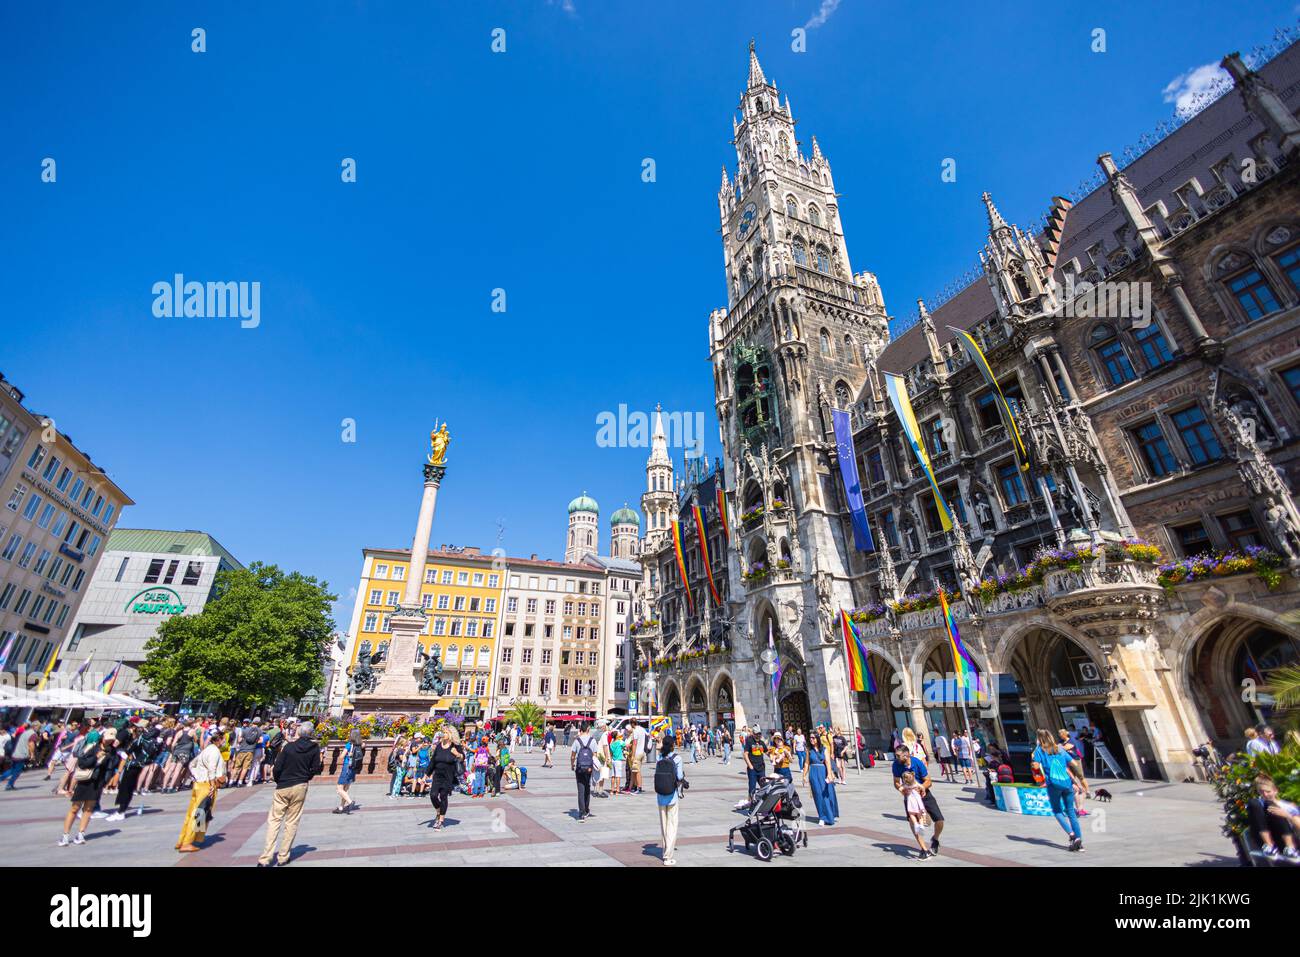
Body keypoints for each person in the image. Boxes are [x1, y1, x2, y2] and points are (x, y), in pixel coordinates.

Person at [257, 720, 323, 866]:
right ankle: (283, 857)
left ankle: (265, 858)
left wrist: (280, 781)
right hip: (300, 786)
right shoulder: (314, 748)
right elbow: (316, 768)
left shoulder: (289, 747)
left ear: (299, 732)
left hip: (283, 786)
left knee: (274, 821)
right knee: (292, 822)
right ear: (311, 733)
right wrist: (305, 778)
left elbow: (277, 767)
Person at [1031, 728, 1089, 852]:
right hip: (1067, 784)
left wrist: (1035, 763)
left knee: (1057, 811)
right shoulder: (1060, 748)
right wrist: (1077, 780)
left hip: (1053, 784)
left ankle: (1071, 834)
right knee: (1071, 812)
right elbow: (1073, 762)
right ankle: (1079, 841)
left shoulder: (1039, 750)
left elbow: (1035, 766)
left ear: (1039, 739)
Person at [58, 733, 113, 846]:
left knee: (88, 809)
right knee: (75, 808)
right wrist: (96, 757)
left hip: (96, 783)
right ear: (102, 738)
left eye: (111, 740)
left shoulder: (111, 751)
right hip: (85, 781)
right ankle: (65, 835)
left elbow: (109, 768)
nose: (109, 741)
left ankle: (81, 833)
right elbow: (82, 764)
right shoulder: (92, 748)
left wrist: (104, 782)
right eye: (107, 739)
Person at [177, 730, 226, 853]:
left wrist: (196, 776)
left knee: (194, 813)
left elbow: (192, 764)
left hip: (199, 784)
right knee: (199, 813)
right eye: (223, 739)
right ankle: (188, 842)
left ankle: (186, 839)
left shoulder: (207, 749)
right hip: (207, 785)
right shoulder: (214, 752)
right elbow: (212, 769)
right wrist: (212, 784)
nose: (225, 741)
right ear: (219, 739)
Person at [891, 744, 944, 856]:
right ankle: (923, 849)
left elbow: (929, 781)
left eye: (898, 755)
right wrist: (901, 788)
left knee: (939, 820)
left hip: (924, 794)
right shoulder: (896, 765)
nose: (896, 758)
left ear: (906, 755)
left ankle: (935, 839)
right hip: (910, 796)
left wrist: (922, 787)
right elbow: (896, 781)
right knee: (912, 821)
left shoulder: (917, 763)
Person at [1246, 773, 1299, 861]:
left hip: (1284, 839)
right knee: (1254, 803)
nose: (1265, 795)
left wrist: (1287, 815)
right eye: (1261, 792)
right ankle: (1269, 845)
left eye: (1268, 791)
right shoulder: (1258, 805)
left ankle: (1290, 848)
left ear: (1275, 790)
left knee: (1270, 805)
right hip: (1264, 839)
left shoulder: (1288, 806)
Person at [654, 729, 685, 865]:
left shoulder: (659, 758)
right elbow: (679, 777)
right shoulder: (677, 758)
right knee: (672, 826)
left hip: (660, 795)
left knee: (664, 826)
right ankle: (668, 856)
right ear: (673, 745)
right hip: (672, 795)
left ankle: (664, 852)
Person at [803, 731, 839, 827]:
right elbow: (806, 763)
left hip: (823, 773)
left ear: (817, 739)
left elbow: (827, 762)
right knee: (818, 795)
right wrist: (804, 776)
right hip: (814, 774)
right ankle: (822, 817)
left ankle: (831, 814)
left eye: (813, 738)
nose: (811, 739)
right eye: (810, 738)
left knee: (827, 795)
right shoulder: (809, 750)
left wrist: (829, 774)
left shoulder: (824, 749)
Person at [429, 728, 462, 829]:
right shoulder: (439, 746)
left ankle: (440, 820)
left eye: (446, 733)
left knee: (443, 796)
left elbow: (462, 758)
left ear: (451, 734)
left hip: (448, 776)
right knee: (433, 795)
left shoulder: (455, 746)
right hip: (437, 775)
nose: (444, 734)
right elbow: (433, 761)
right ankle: (439, 810)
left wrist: (457, 754)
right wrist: (426, 774)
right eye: (443, 733)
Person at [899, 770, 932, 859]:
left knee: (911, 814)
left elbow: (900, 789)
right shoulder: (915, 783)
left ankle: (916, 824)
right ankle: (921, 824)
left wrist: (904, 793)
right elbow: (922, 787)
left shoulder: (905, 785)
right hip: (917, 801)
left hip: (910, 800)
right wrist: (923, 791)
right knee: (919, 814)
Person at [1, 719, 39, 791]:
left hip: (16, 753)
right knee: (17, 771)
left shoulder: (25, 732)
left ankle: (2, 779)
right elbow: (31, 744)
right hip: (22, 754)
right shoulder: (32, 733)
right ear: (35, 726)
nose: (39, 728)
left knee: (12, 770)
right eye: (39, 727)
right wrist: (32, 754)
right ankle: (9, 785)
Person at [571, 723, 598, 821]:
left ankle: (581, 814)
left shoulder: (577, 741)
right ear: (588, 729)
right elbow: (595, 755)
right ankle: (586, 810)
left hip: (579, 768)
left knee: (580, 790)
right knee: (587, 787)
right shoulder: (593, 741)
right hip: (589, 768)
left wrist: (572, 764)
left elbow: (573, 755)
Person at [334, 729, 363, 813]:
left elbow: (341, 757)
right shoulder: (359, 745)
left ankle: (350, 803)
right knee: (345, 789)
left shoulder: (349, 745)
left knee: (339, 788)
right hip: (353, 768)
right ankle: (341, 807)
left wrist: (346, 754)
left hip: (347, 767)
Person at [742, 726, 766, 797]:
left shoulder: (762, 743)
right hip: (752, 769)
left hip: (761, 768)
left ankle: (762, 802)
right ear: (753, 734)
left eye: (759, 734)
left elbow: (767, 752)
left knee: (764, 786)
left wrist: (773, 756)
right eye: (757, 734)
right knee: (752, 787)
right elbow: (745, 754)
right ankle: (751, 802)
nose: (758, 735)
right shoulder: (749, 742)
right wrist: (750, 766)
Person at [627, 719, 646, 794]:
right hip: (642, 752)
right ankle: (635, 787)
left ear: (632, 724)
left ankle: (639, 787)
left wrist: (633, 755)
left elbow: (635, 743)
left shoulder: (635, 731)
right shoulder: (642, 729)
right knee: (635, 771)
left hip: (637, 753)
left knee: (637, 771)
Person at [609, 728, 626, 796]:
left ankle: (612, 790)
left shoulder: (611, 743)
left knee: (613, 776)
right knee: (618, 776)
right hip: (618, 760)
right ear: (616, 736)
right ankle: (617, 790)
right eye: (618, 734)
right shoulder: (619, 742)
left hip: (613, 760)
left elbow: (611, 752)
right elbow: (626, 745)